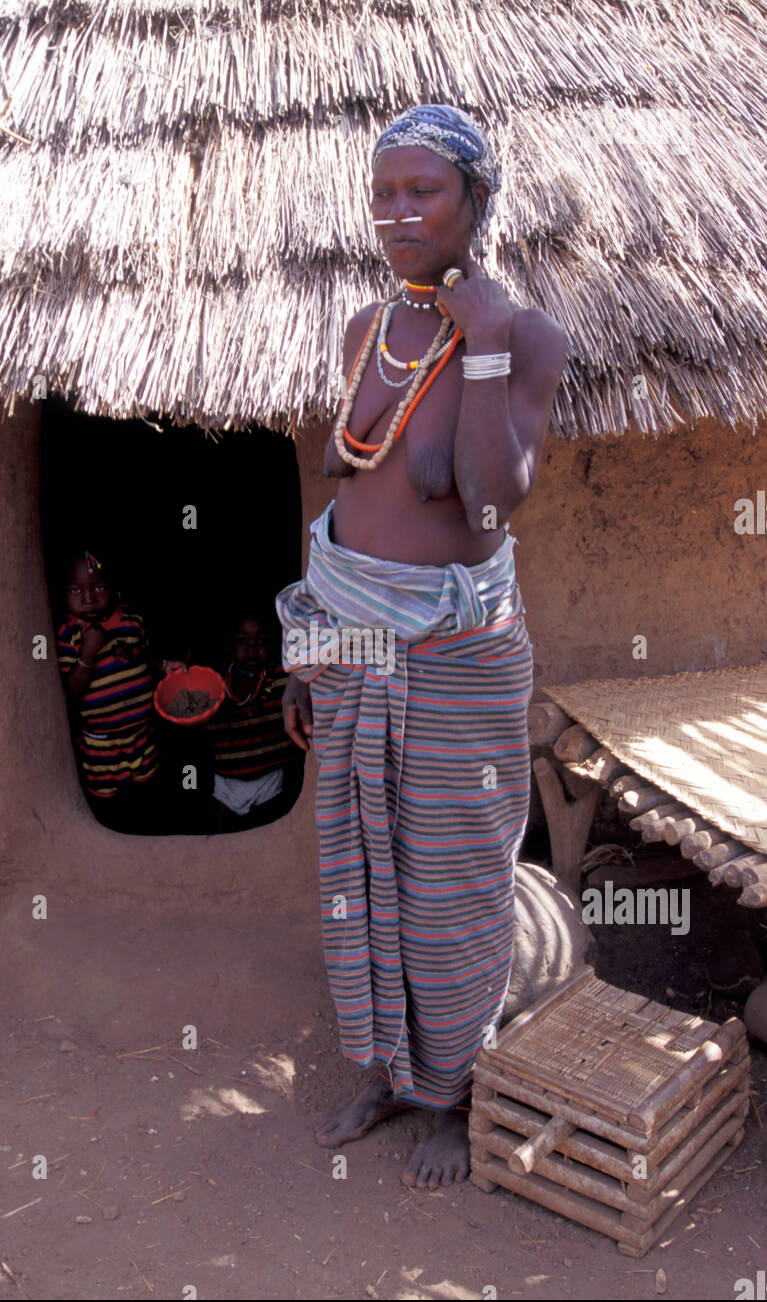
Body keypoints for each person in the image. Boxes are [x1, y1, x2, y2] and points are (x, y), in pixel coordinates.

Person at [275, 105, 567, 1188]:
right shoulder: (364, 329)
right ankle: (392, 1073)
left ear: (475, 203)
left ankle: (459, 1089)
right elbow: (350, 491)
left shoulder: (526, 336)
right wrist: (315, 650)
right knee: (364, 867)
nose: (397, 215)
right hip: (351, 637)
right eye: (383, 194)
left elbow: (492, 504)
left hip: (454, 654)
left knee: (452, 884)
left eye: (423, 193)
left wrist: (484, 345)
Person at [56, 550, 184, 831]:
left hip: (143, 736)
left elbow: (142, 658)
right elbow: (70, 694)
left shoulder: (131, 620)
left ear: (112, 587)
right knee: (107, 811)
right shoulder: (67, 635)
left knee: (148, 798)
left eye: (98, 587)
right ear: (63, 593)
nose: (88, 598)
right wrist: (88, 654)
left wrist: (163, 664)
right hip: (101, 746)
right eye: (76, 590)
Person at [205, 611, 303, 832]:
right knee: (221, 840)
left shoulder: (284, 678)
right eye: (242, 641)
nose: (251, 648)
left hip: (269, 781)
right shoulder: (216, 683)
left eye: (261, 641)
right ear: (230, 645)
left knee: (266, 838)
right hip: (226, 783)